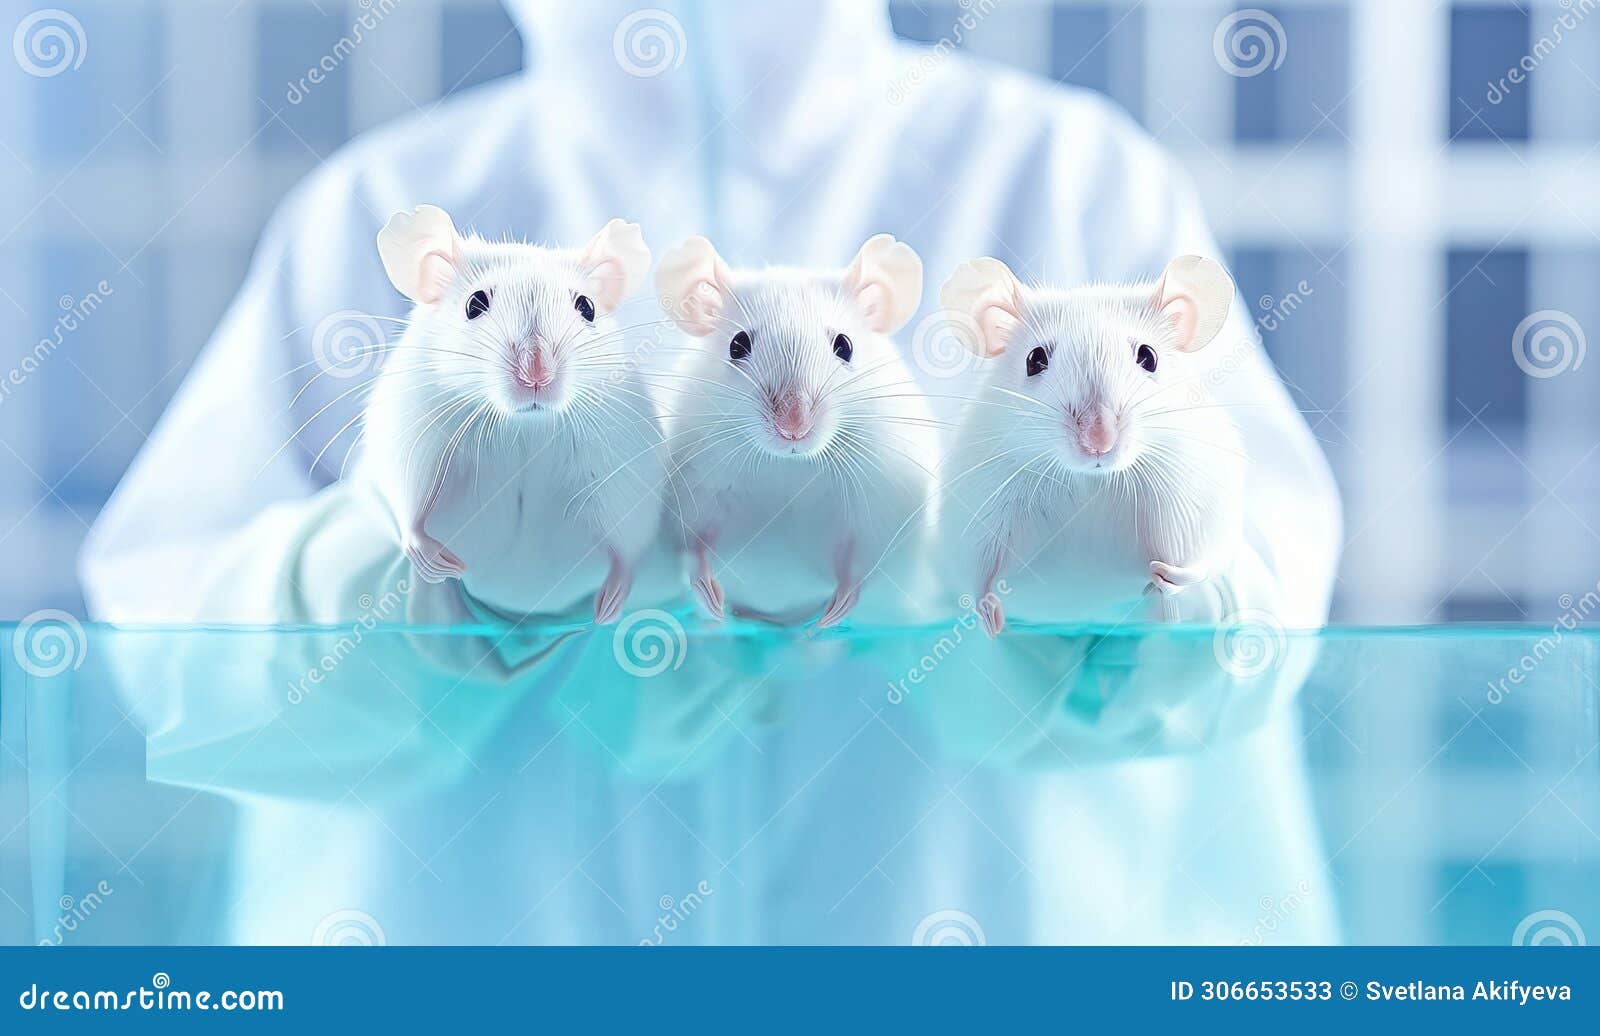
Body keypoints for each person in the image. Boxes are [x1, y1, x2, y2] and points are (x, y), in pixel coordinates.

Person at [78, 1, 1343, 944]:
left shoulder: (1073, 183)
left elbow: (1257, 619)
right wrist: (423, 594)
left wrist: (1012, 603)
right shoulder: (395, 206)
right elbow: (176, 666)